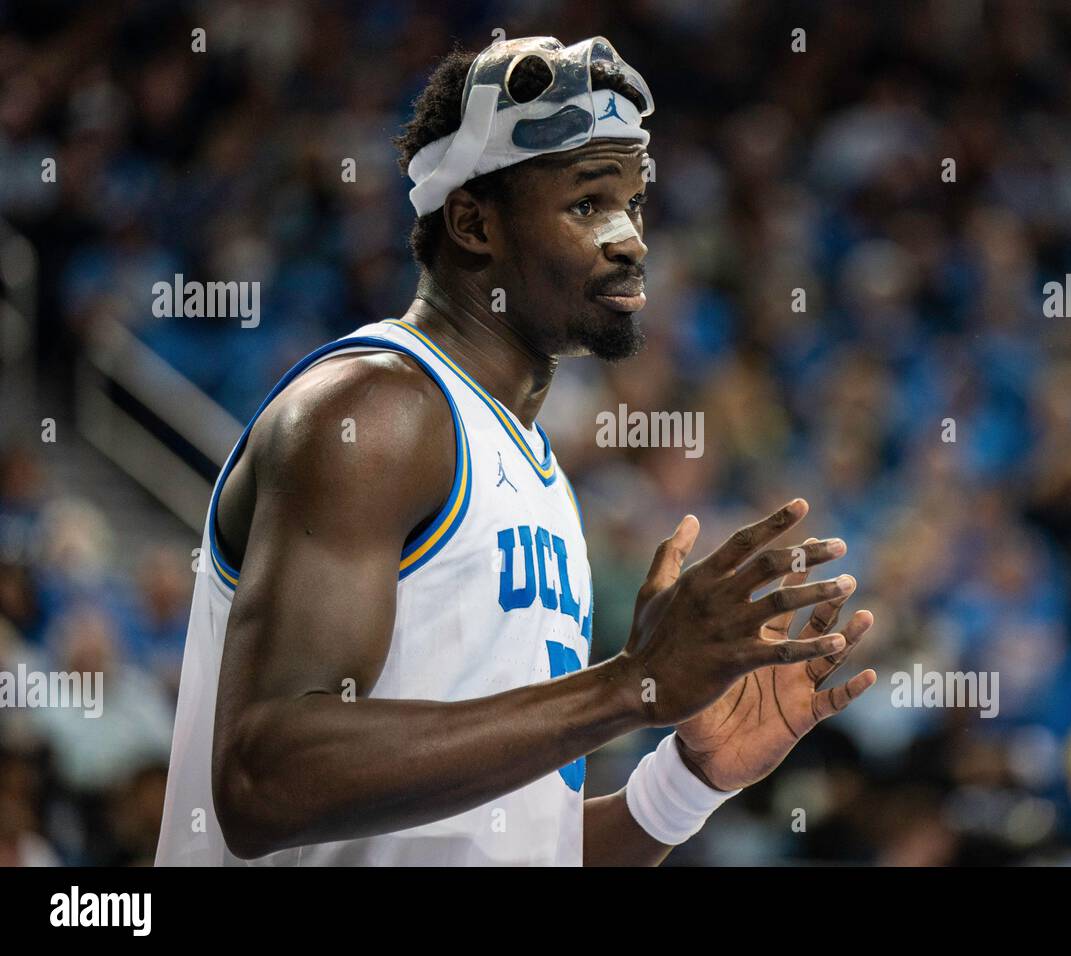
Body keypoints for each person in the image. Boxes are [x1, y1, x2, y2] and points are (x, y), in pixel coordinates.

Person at [155, 36, 876, 867]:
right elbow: (260, 781)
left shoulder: (533, 471)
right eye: (587, 205)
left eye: (634, 204)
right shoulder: (378, 411)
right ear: (473, 223)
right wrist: (625, 685)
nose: (631, 240)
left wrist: (684, 784)